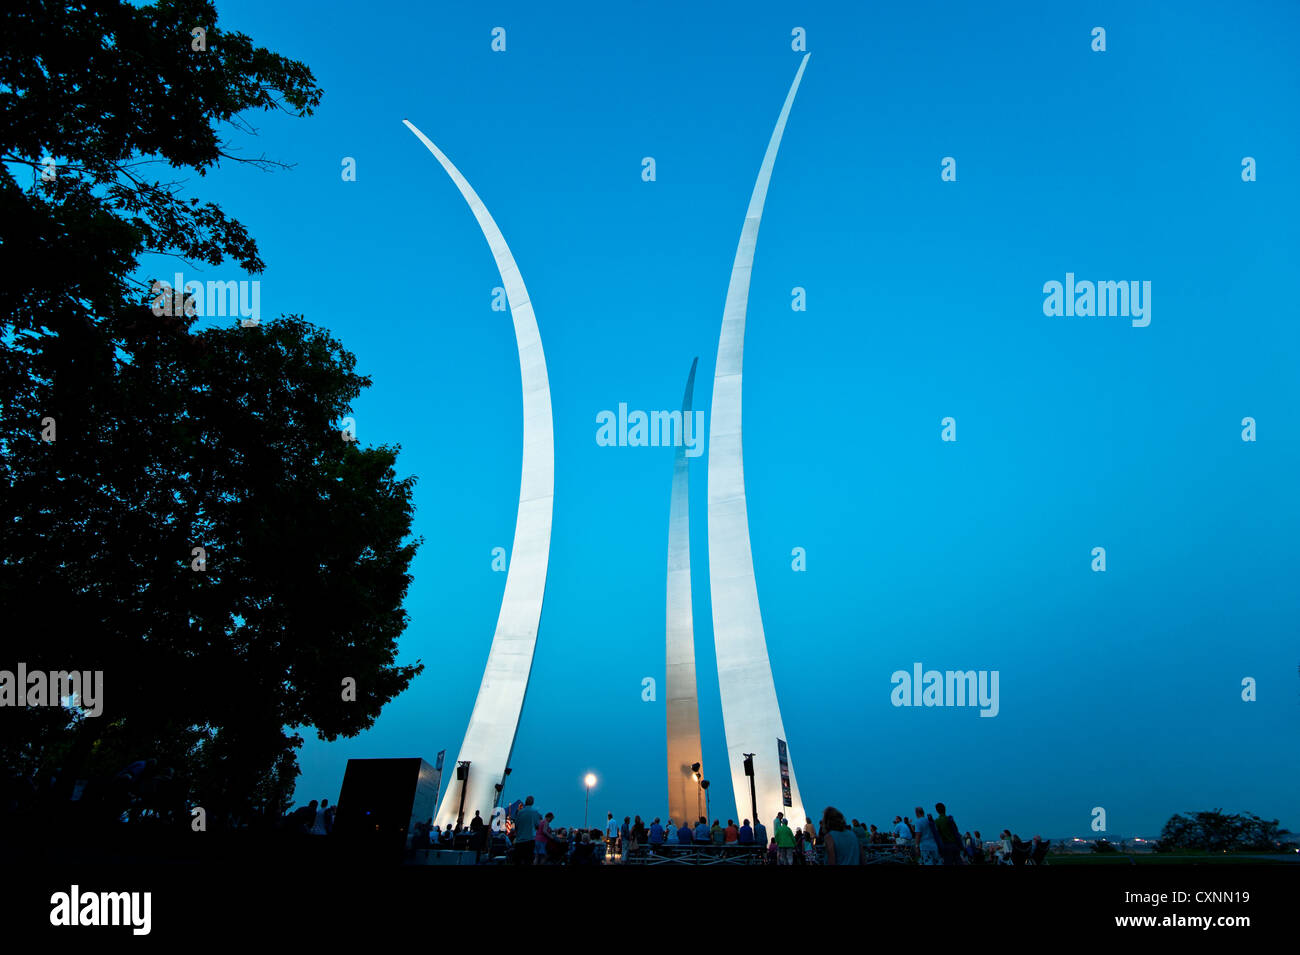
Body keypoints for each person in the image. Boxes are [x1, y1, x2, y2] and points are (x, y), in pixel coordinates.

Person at [511, 796, 541, 864]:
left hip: (519, 840)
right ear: (532, 802)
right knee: (528, 860)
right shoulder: (534, 812)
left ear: (525, 802)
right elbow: (537, 825)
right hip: (530, 840)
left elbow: (516, 826)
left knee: (518, 861)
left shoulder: (519, 812)